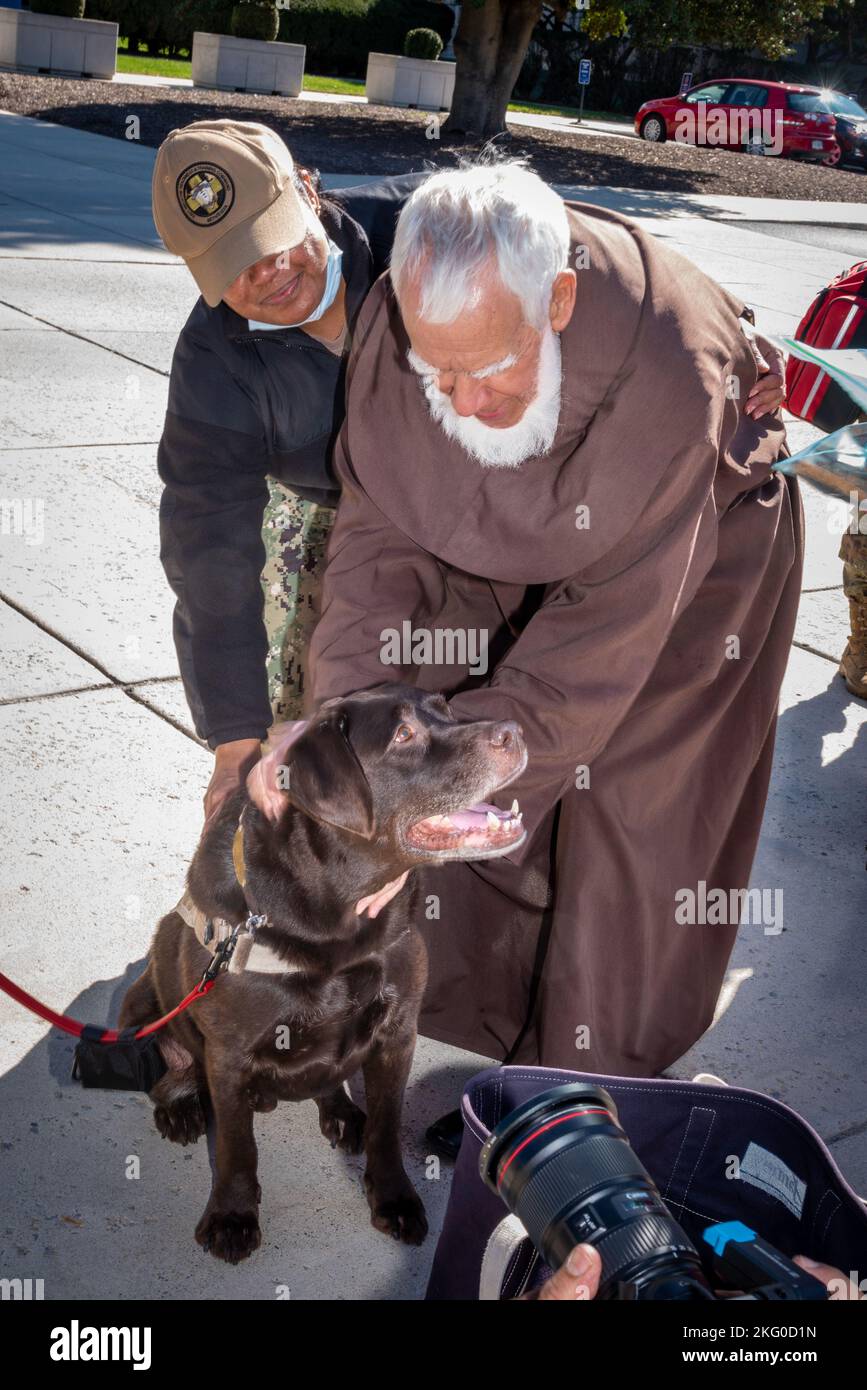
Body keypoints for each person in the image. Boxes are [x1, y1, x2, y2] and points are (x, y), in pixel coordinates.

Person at [307, 158, 796, 1130]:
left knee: (624, 812)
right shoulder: (414, 323)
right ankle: (492, 1033)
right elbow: (372, 547)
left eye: (487, 370)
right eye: (432, 370)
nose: (458, 401)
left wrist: (437, 799)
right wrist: (347, 748)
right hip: (538, 519)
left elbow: (588, 660)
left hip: (700, 554)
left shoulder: (666, 374)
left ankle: (586, 1104)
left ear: (558, 300)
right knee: (442, 712)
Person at [150, 119, 423, 824]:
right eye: (231, 264)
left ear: (307, 188)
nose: (266, 275)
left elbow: (580, 253)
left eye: (271, 240)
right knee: (304, 737)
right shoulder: (213, 357)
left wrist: (723, 332)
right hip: (329, 513)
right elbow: (206, 541)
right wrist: (234, 743)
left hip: (471, 492)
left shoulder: (426, 228)